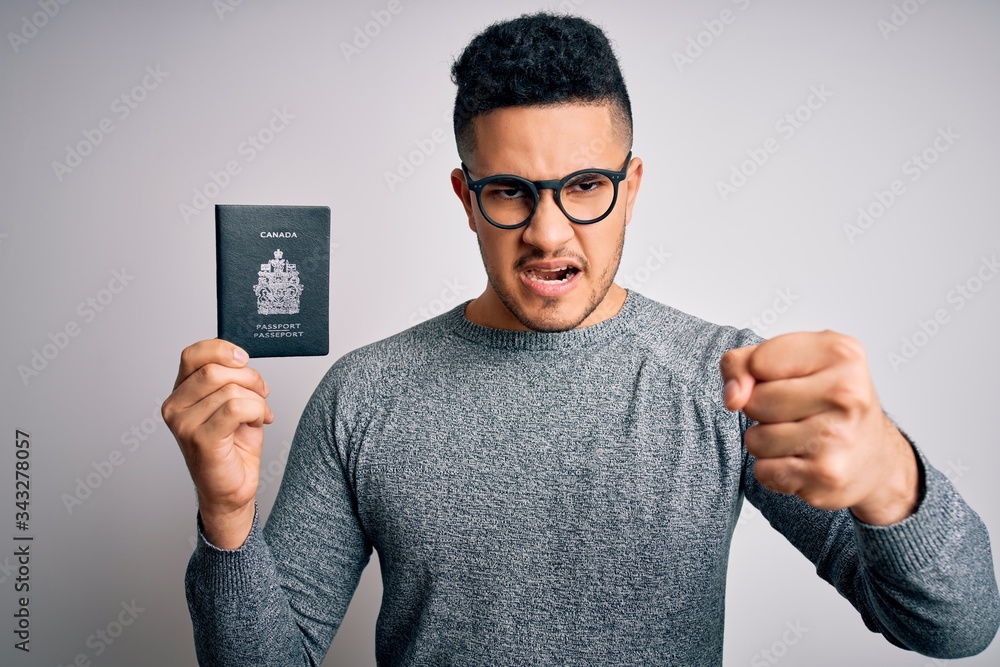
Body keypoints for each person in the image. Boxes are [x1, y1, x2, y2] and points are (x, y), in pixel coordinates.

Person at [161, 12, 1000, 666]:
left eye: (587, 185)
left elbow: (957, 626)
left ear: (631, 187)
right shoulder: (363, 394)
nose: (549, 232)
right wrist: (227, 522)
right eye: (511, 192)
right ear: (465, 197)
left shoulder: (728, 379)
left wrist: (891, 474)